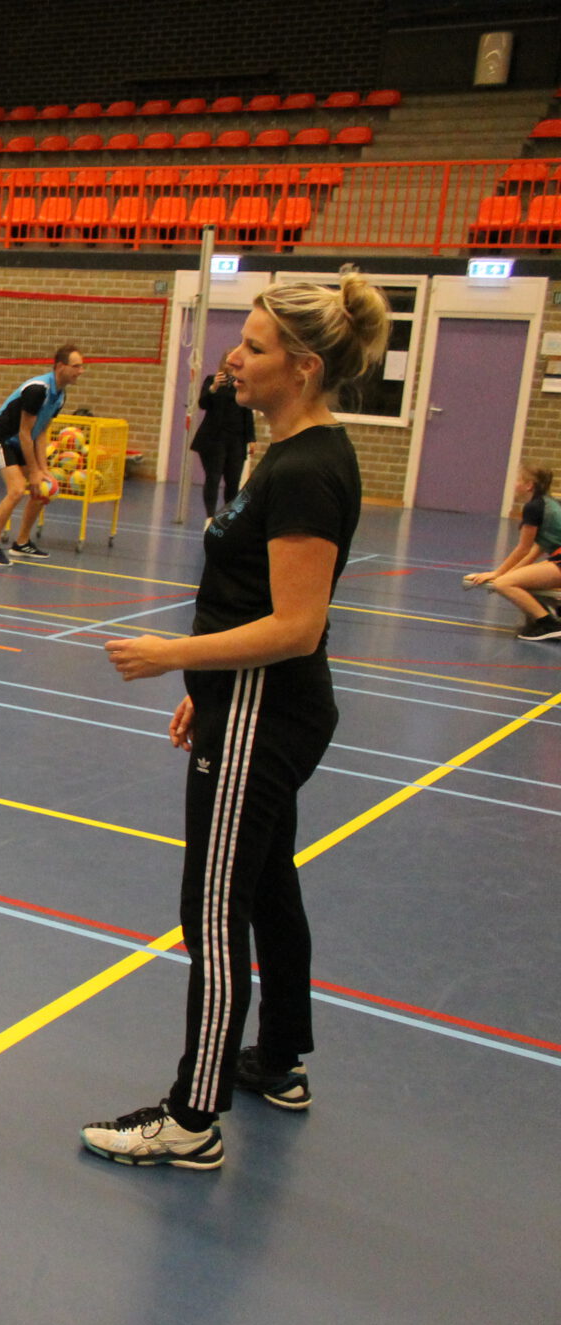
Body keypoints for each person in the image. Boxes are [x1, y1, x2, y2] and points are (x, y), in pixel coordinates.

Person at [83, 273, 390, 1170]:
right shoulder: (291, 449)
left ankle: (191, 1115)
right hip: (251, 704)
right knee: (268, 886)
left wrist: (173, 658)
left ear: (300, 366)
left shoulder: (304, 467)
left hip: (264, 711)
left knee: (213, 908)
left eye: (253, 347)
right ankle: (281, 1058)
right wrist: (204, 692)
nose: (234, 358)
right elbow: (257, 598)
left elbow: (296, 627)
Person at [0, 344, 85, 566]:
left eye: (82, 366)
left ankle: (21, 543)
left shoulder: (60, 396)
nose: (80, 371)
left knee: (41, 488)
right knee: (16, 490)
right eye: (76, 366)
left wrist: (43, 471)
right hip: (1, 438)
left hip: (19, 441)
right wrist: (33, 471)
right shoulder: (38, 390)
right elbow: (26, 433)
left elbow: (41, 431)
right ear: (60, 366)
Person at [463, 465, 561, 642]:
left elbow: (523, 548)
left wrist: (498, 574)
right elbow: (537, 549)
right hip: (558, 558)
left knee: (503, 584)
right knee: (517, 578)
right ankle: (549, 613)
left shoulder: (534, 507)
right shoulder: (547, 502)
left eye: (518, 480)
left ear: (529, 485)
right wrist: (512, 572)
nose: (514, 484)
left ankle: (549, 625)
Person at [191, 367, 255, 523]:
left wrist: (251, 438)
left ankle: (227, 518)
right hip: (214, 439)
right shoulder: (211, 380)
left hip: (237, 439)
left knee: (233, 480)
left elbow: (247, 412)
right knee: (213, 477)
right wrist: (214, 388)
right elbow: (202, 403)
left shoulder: (243, 385)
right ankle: (210, 516)